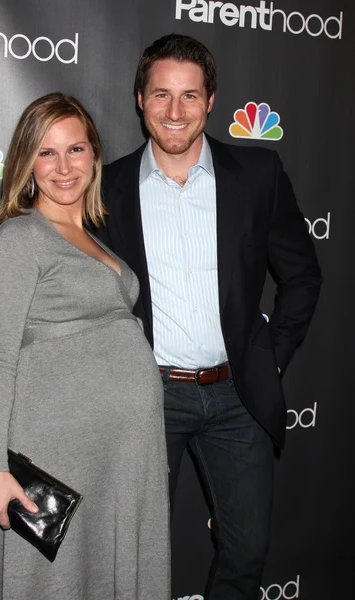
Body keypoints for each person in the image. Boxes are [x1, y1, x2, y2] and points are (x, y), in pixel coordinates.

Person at [97, 34, 322, 600]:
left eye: (190, 95)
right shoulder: (105, 188)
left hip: (237, 397)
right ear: (140, 100)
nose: (175, 111)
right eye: (161, 95)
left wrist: (269, 358)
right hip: (149, 398)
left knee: (246, 554)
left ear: (211, 101)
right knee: (132, 559)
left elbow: (301, 275)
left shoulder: (258, 173)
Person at [0, 93, 170, 600]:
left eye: (75, 149)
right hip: (57, 452)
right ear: (27, 162)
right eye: (47, 152)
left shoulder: (96, 240)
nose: (63, 167)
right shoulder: (20, 239)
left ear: (94, 155)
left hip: (122, 457)